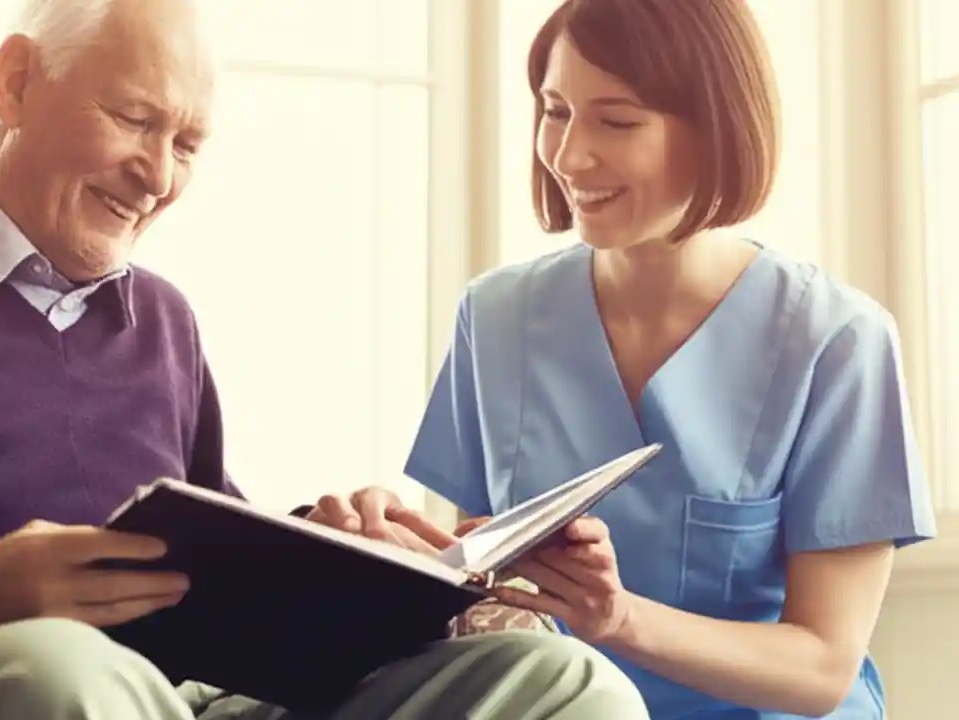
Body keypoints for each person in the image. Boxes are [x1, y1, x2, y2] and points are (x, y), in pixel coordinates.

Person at [0, 0, 651, 718]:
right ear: (15, 82)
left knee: (557, 683)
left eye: (186, 143)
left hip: (184, 695)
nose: (159, 175)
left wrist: (342, 543)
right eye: (136, 121)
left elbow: (209, 540)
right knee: (69, 673)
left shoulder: (165, 323)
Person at [357, 0, 935, 718]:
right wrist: (387, 552)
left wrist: (618, 619)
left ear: (718, 128)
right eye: (556, 110)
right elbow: (480, 589)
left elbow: (821, 667)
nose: (569, 156)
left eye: (617, 120)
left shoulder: (837, 341)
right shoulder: (497, 316)